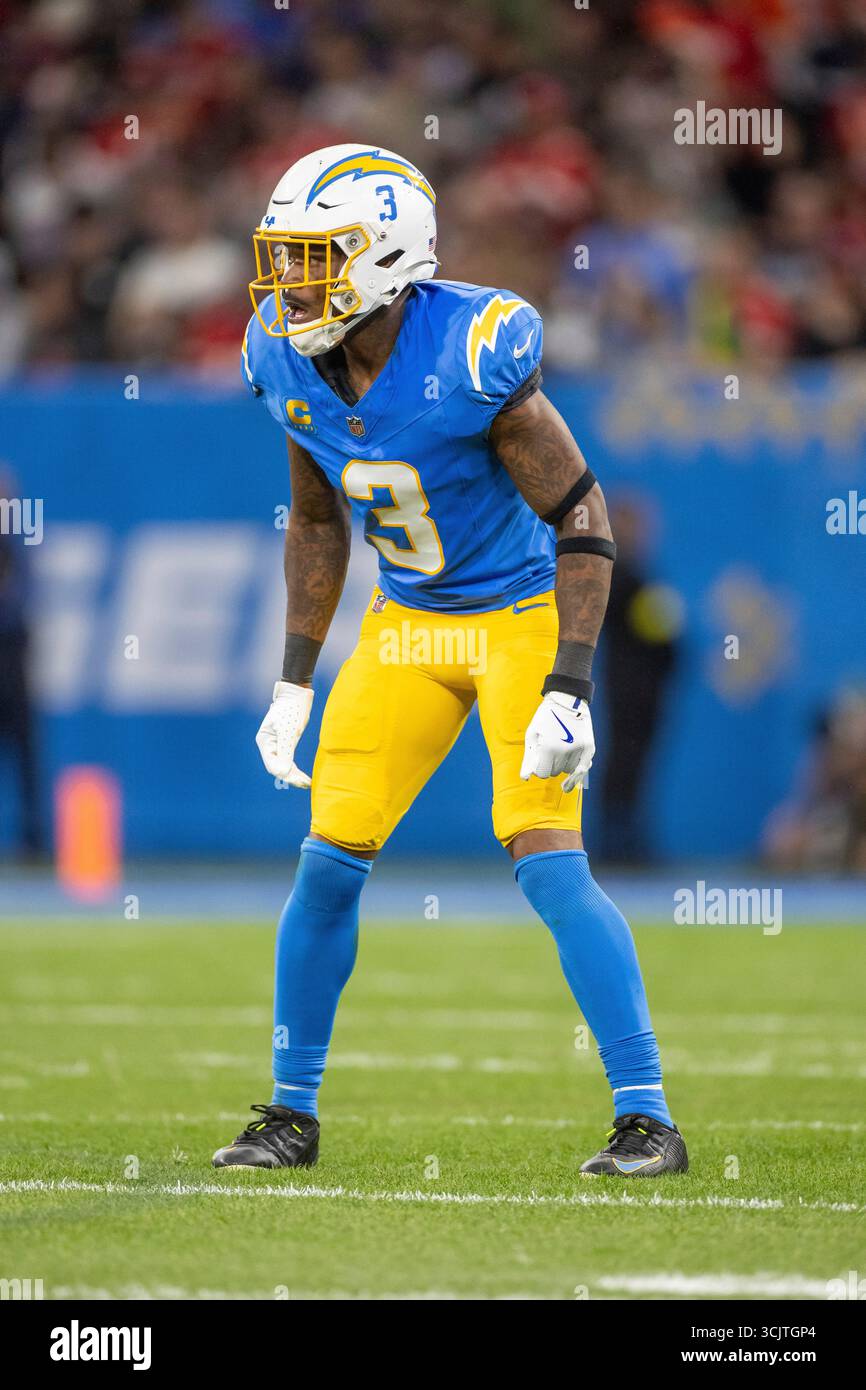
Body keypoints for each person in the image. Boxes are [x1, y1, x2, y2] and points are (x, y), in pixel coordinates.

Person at [212, 146, 687, 1178]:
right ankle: (290, 1115)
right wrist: (291, 679)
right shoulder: (285, 356)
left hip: (516, 614)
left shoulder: (472, 344)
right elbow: (314, 519)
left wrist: (568, 679)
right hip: (407, 623)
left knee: (545, 853)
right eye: (285, 257)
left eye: (315, 257)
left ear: (384, 258)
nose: (291, 282)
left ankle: (646, 1115)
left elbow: (583, 516)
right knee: (328, 856)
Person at [0, 467, 42, 856]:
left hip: (10, 650)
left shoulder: (15, 528)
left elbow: (22, 591)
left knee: (24, 745)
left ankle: (32, 836)